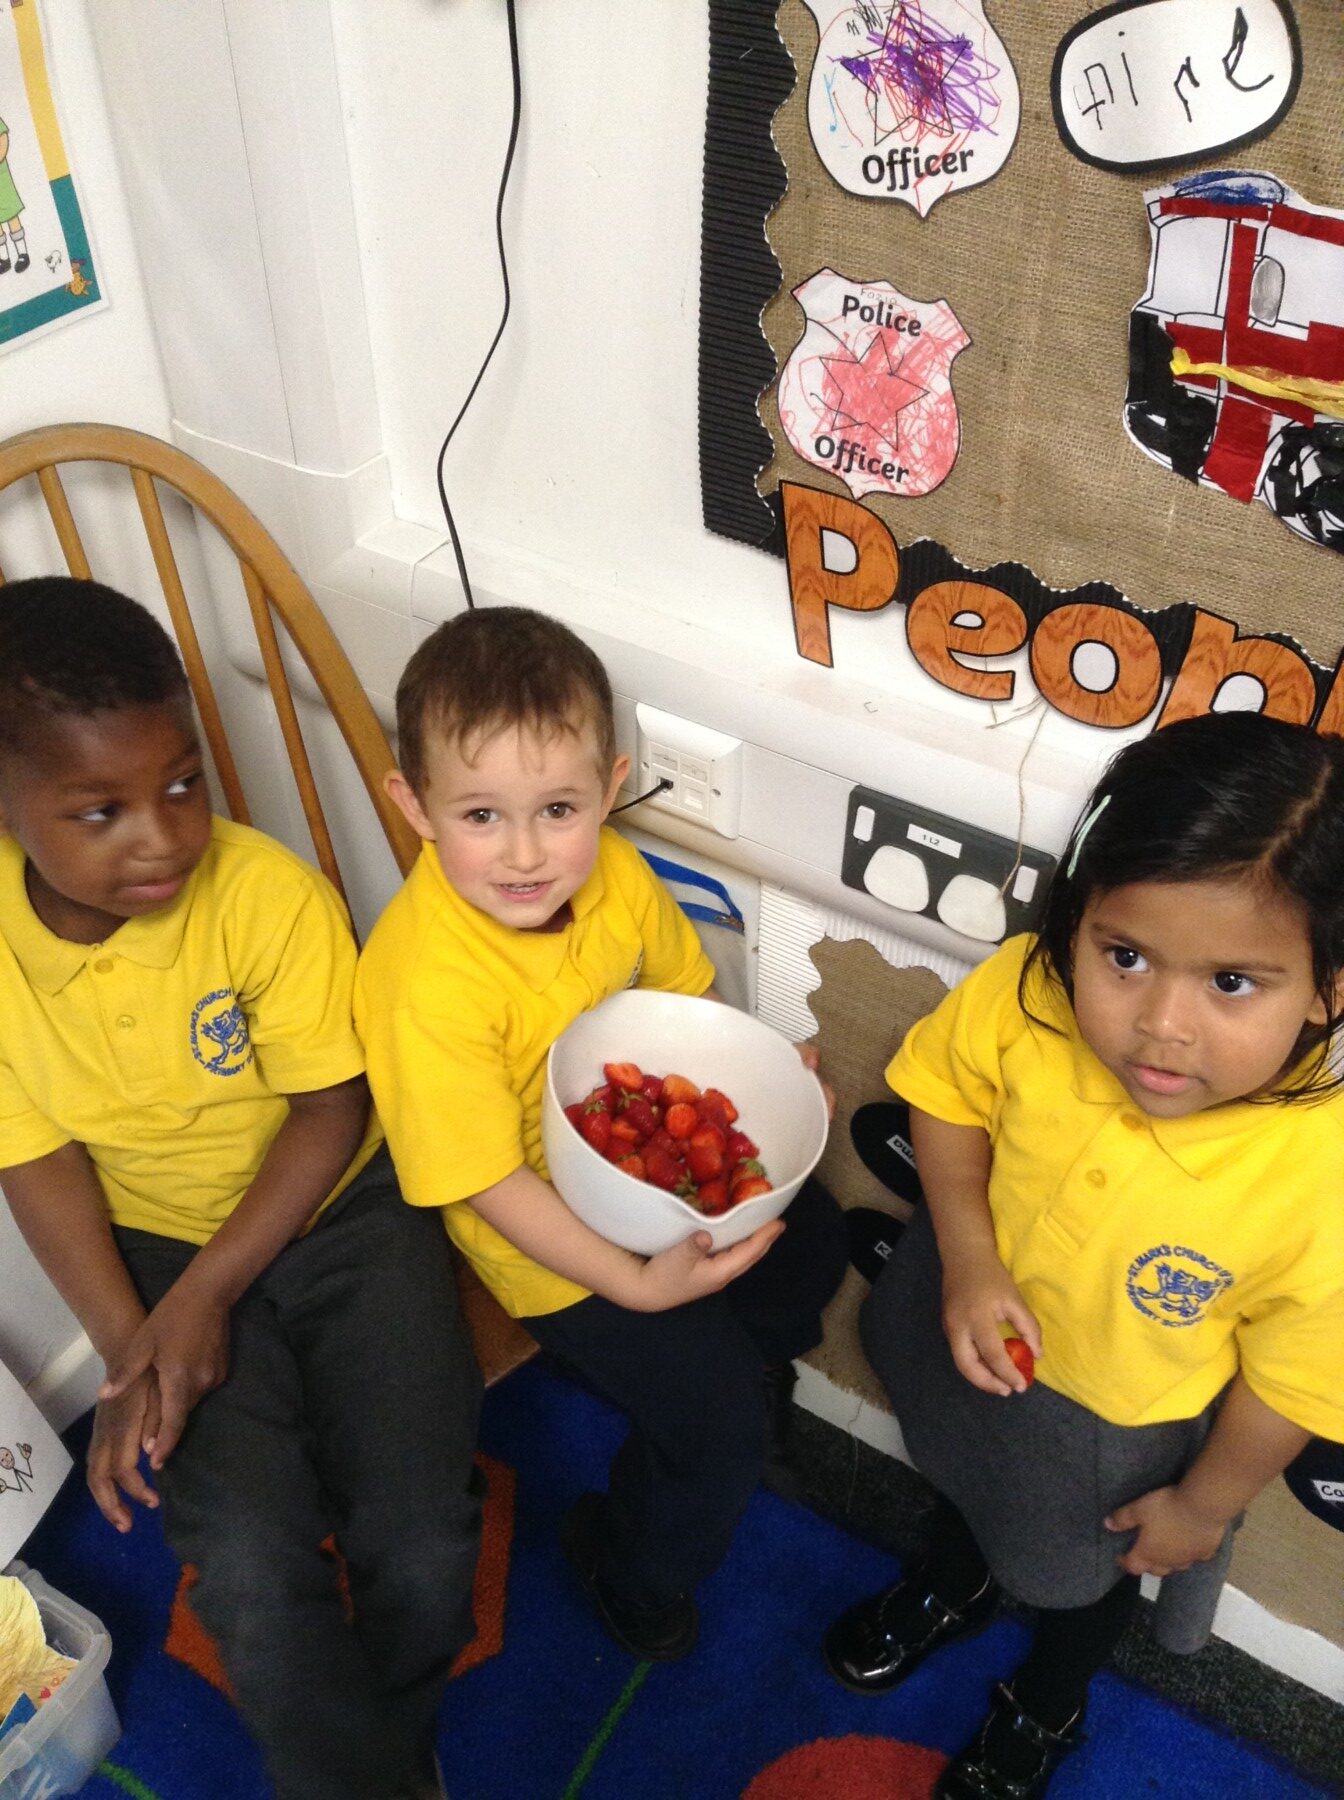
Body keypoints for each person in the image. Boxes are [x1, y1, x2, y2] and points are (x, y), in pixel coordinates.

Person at [0, 577, 483, 1800]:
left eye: (181, 782)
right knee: (250, 1572)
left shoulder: (267, 897)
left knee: (423, 1540)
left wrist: (206, 1300)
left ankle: (394, 1737)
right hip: (155, 1247)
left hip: (339, 1211)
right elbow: (34, 1157)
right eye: (98, 810)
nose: (161, 836)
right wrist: (133, 1351)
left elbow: (333, 1109)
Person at [823, 712, 1344, 1799]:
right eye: (1125, 955)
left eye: (1232, 983)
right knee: (960, 1478)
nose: (1161, 1024)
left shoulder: (1322, 1176)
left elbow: (1298, 1376)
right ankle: (955, 1583)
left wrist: (1202, 1506)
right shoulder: (1029, 989)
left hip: (1113, 1427)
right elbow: (948, 1098)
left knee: (1080, 1583)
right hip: (967, 1307)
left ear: (1328, 993)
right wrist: (968, 1257)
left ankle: (1046, 1702)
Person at [355, 605, 847, 1662]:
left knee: (818, 1240)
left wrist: (762, 1068)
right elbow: (481, 1181)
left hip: (634, 1165)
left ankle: (731, 1378)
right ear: (415, 806)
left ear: (611, 786)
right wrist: (630, 1285)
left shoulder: (612, 875)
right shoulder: (420, 985)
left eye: (559, 808)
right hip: (540, 1236)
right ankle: (628, 1566)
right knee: (715, 1431)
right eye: (481, 814)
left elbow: (682, 997)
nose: (528, 853)